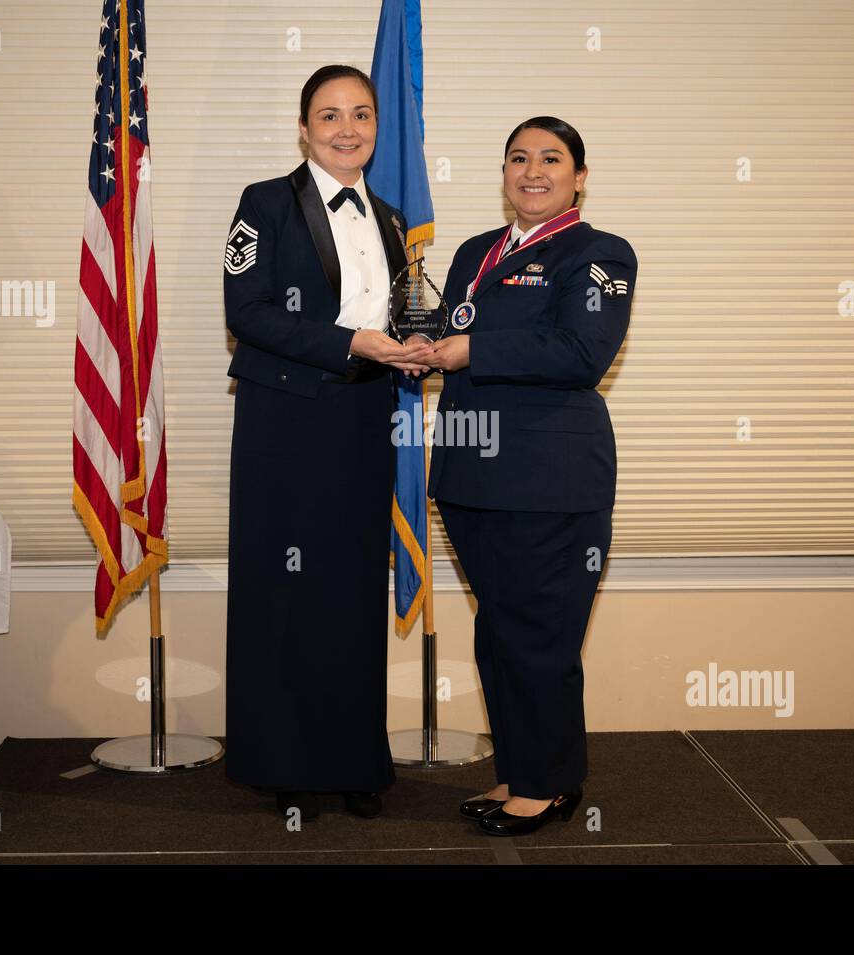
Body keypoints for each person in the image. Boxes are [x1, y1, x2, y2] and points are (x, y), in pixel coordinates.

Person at [221, 64, 432, 821]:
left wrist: (409, 346)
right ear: (305, 127)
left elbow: (397, 312)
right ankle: (282, 759)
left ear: (377, 127)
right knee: (283, 592)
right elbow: (247, 311)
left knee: (348, 592)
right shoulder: (265, 204)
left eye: (363, 114)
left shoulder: (391, 215)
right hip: (286, 423)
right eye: (331, 115)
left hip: (365, 419)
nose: (348, 129)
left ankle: (352, 762)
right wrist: (354, 344)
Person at [424, 116, 637, 836]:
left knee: (541, 633)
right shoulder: (474, 251)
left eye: (551, 158)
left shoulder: (599, 254)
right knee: (500, 632)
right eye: (519, 158)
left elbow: (580, 352)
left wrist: (468, 350)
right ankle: (520, 767)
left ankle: (549, 785)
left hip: (550, 478)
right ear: (504, 172)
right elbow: (451, 330)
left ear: (580, 176)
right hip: (470, 474)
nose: (532, 170)